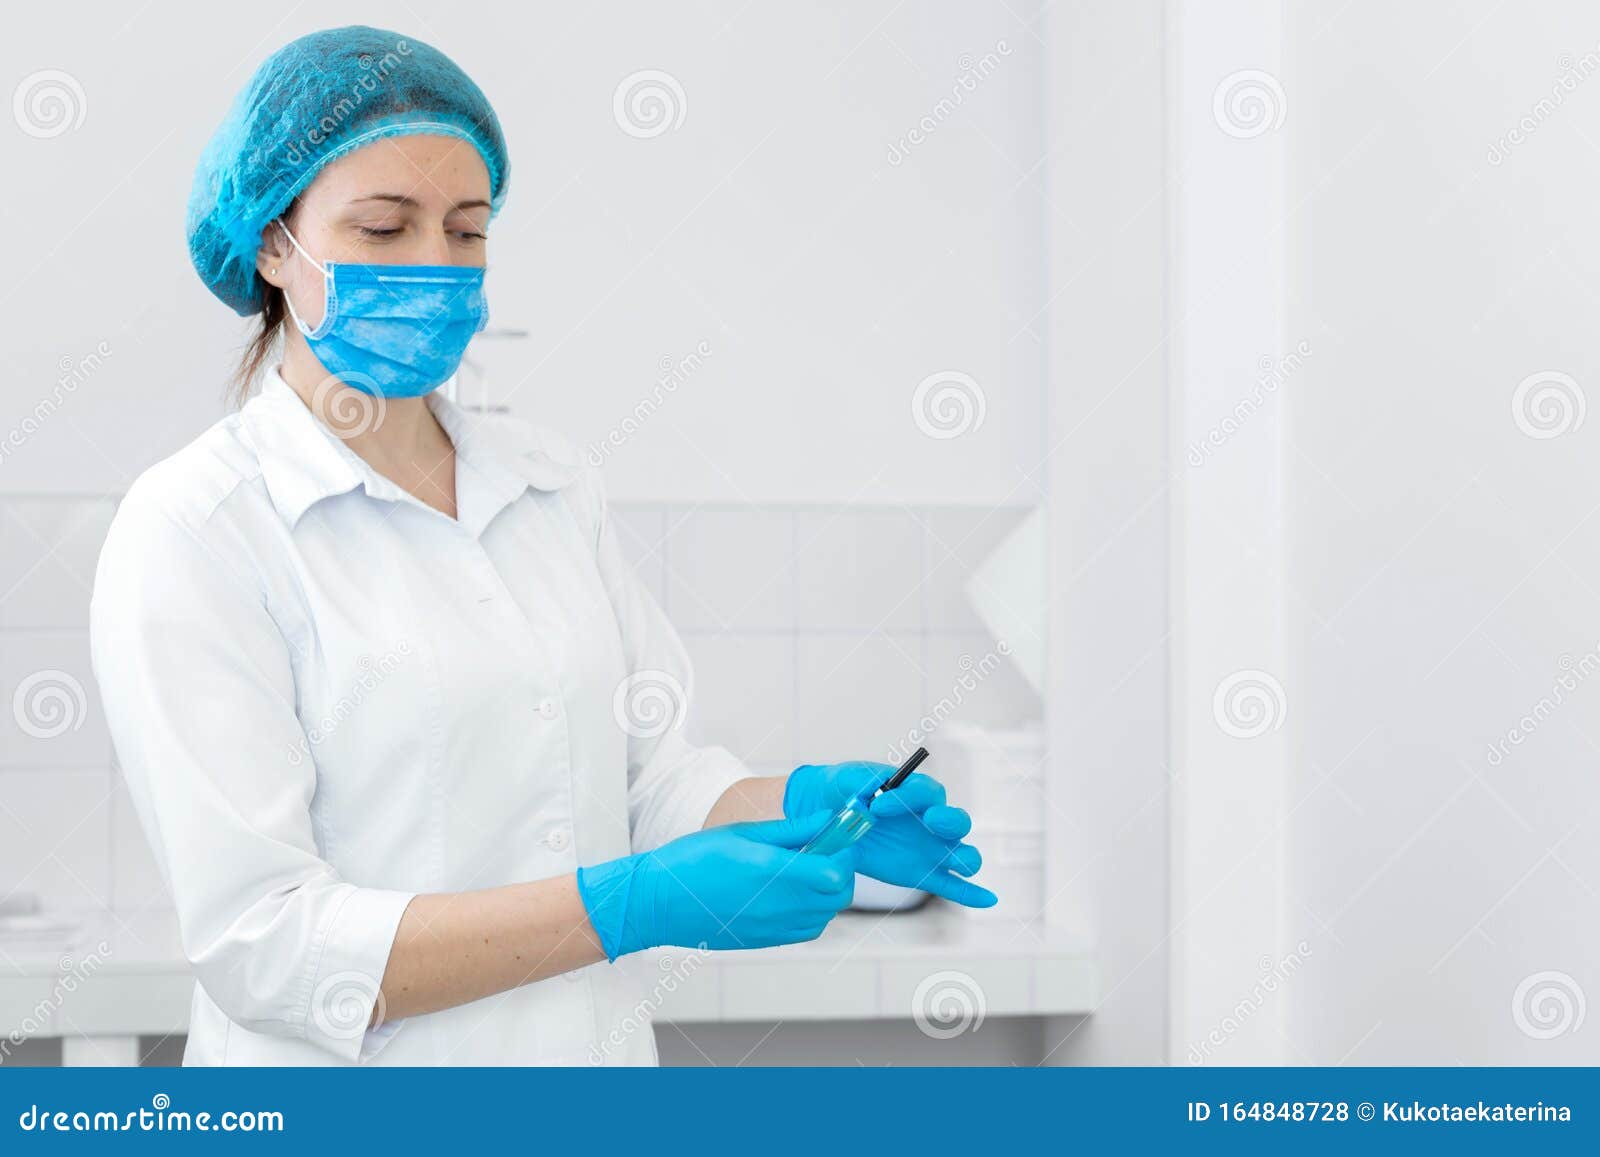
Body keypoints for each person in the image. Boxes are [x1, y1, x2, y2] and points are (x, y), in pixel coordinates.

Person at [89, 25, 994, 1067]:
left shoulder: (551, 486)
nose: (434, 264)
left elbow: (648, 782)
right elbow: (268, 946)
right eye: (383, 227)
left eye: (465, 230)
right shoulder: (198, 529)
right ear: (272, 245)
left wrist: (798, 805)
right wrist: (626, 906)